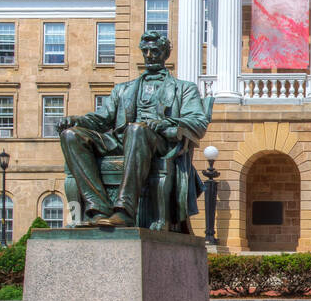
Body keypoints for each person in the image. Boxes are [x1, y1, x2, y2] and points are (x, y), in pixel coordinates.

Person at [56, 32, 209, 229]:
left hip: (159, 143)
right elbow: (102, 119)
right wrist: (76, 121)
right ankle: (98, 209)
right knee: (71, 136)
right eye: (145, 51)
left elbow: (198, 121)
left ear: (165, 54)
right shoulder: (123, 89)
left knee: (137, 130)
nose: (149, 55)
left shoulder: (184, 88)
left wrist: (166, 122)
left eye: (155, 51)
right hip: (121, 141)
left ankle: (125, 211)